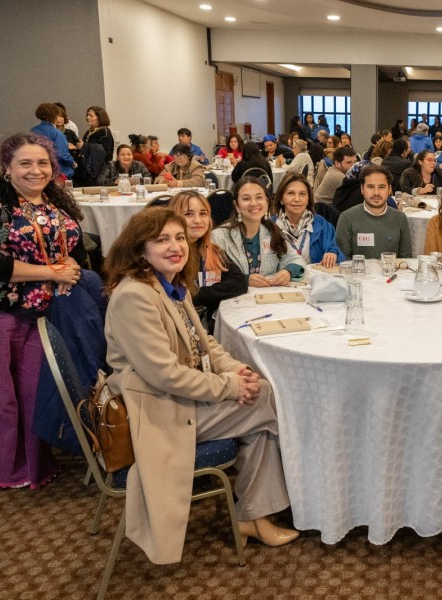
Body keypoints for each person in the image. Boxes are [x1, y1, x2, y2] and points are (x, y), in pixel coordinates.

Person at [103, 207, 298, 565]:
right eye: (161, 240)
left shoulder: (169, 284)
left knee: (259, 397)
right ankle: (254, 515)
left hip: (174, 397)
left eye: (179, 238)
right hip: (154, 410)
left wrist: (238, 371)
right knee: (262, 405)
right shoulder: (136, 296)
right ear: (139, 249)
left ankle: (255, 515)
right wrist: (229, 387)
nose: (175, 246)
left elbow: (205, 344)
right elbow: (164, 375)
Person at [0, 132, 83, 489]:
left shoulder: (56, 204)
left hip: (45, 314)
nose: (35, 170)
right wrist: (51, 272)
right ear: (7, 168)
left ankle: (34, 465)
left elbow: (74, 245)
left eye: (42, 162)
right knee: (3, 400)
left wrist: (71, 266)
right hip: (3, 312)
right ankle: (5, 469)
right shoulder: (1, 206)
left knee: (33, 394)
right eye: (25, 163)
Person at [169, 190, 246, 331]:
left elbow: (239, 282)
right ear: (173, 219)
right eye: (188, 214)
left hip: (205, 327)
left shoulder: (212, 251)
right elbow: (174, 298)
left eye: (203, 214)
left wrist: (198, 295)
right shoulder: (169, 256)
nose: (197, 220)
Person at [211, 177, 304, 287]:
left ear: (267, 201)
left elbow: (296, 259)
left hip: (268, 298)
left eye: (259, 197)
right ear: (237, 206)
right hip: (234, 300)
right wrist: (244, 280)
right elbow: (211, 275)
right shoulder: (218, 237)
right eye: (246, 199)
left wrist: (288, 272)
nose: (253, 203)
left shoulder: (272, 231)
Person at [335, 165, 412, 259]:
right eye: (370, 187)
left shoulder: (400, 218)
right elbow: (343, 260)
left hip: (391, 273)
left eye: (382, 187)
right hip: (358, 273)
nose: (376, 193)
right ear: (362, 189)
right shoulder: (347, 218)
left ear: (389, 189)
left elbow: (407, 258)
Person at [271, 173, 345, 267]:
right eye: (290, 193)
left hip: (314, 279)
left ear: (308, 199)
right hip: (281, 280)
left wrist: (333, 254)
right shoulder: (270, 227)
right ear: (281, 199)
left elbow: (335, 251)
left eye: (302, 194)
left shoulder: (320, 224)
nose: (297, 199)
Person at [30, 103, 75, 180]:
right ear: (55, 116)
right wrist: (72, 162)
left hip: (38, 169)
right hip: (58, 171)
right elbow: (62, 154)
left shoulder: (32, 131)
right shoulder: (56, 133)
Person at [75, 106, 114, 186]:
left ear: (99, 118)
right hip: (85, 170)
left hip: (99, 171)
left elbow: (104, 151)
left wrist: (85, 146)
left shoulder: (105, 132)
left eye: (91, 116)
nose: (88, 117)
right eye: (87, 115)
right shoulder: (89, 131)